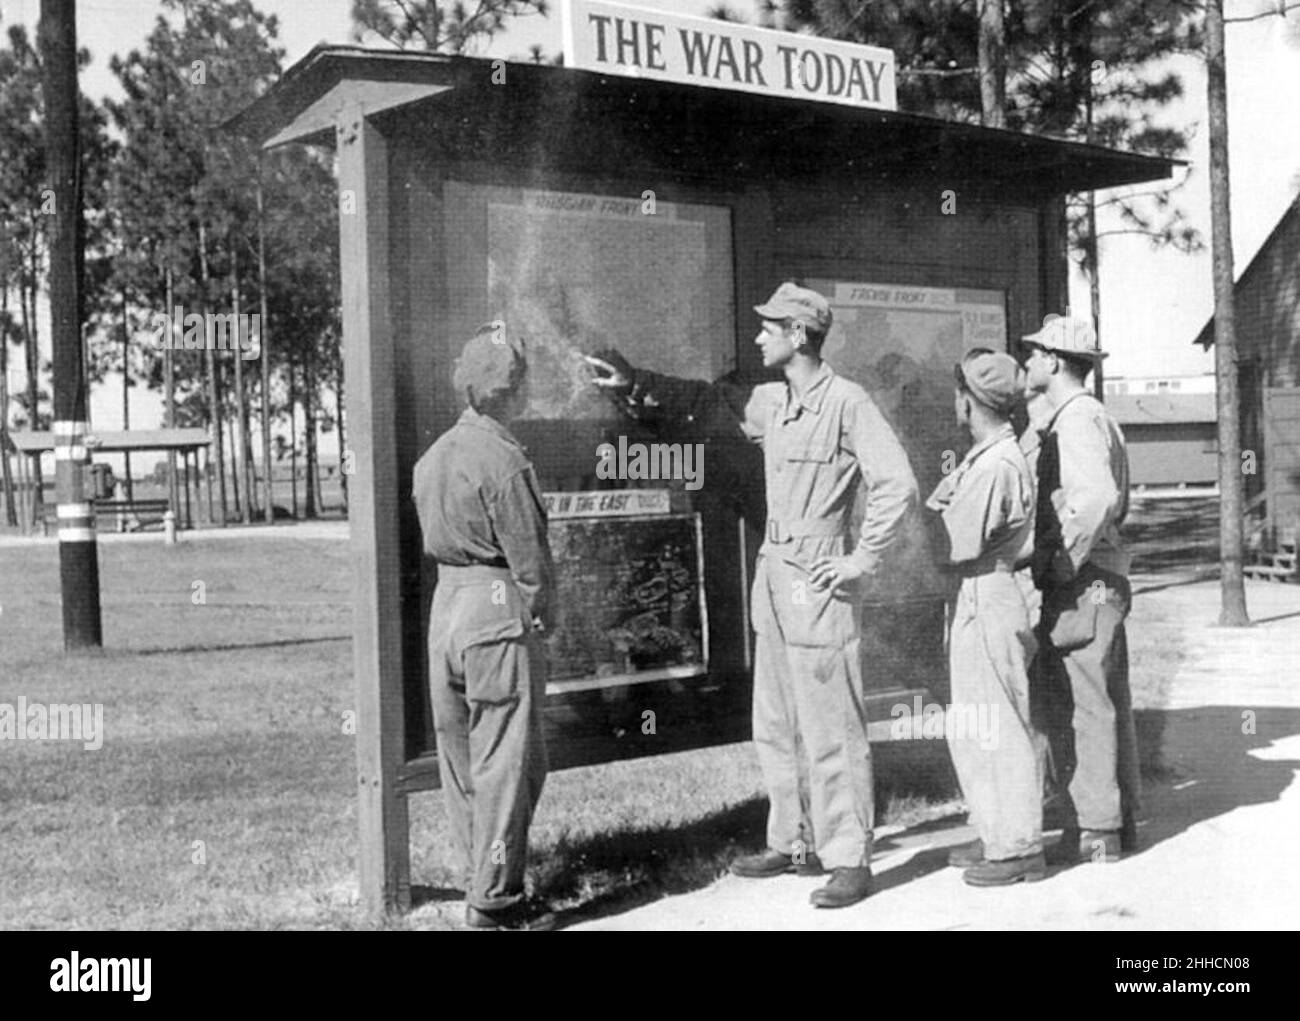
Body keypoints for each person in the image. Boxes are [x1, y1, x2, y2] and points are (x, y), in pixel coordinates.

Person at [587, 282, 918, 908]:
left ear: (800, 336)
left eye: (771, 327)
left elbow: (896, 483)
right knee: (776, 721)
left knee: (831, 725)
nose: (759, 335)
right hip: (775, 575)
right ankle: (793, 840)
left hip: (820, 577)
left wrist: (860, 560)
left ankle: (847, 856)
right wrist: (631, 381)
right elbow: (705, 402)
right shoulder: (774, 402)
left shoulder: (848, 403)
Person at [412, 323, 557, 930]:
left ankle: (485, 883)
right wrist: (542, 612)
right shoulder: (502, 458)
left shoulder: (434, 455)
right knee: (508, 763)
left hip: (446, 609)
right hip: (495, 610)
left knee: (465, 764)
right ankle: (495, 906)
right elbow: (530, 561)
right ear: (509, 392)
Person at [1019, 315, 1139, 864]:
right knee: (1101, 700)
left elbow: (1093, 499)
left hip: (1085, 579)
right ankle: (1111, 823)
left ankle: (1094, 829)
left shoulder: (1076, 419)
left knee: (1081, 704)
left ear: (1054, 362)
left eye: (1035, 354)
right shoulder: (1090, 417)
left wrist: (1062, 564)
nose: (1028, 362)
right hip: (1100, 575)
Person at [926, 350, 1047, 886]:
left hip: (988, 590)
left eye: (959, 393)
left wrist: (923, 516)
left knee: (1000, 723)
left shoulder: (996, 462)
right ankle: (997, 830)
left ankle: (1019, 847)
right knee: (976, 724)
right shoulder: (987, 455)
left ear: (971, 401)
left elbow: (954, 543)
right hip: (978, 593)